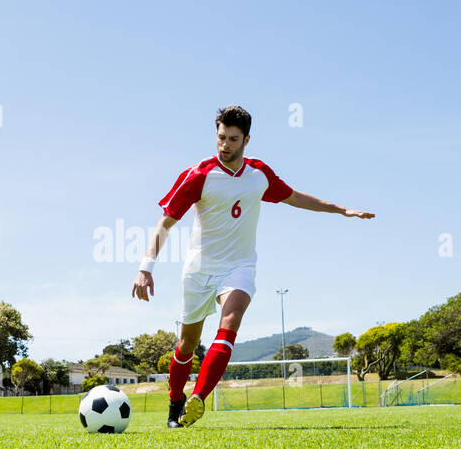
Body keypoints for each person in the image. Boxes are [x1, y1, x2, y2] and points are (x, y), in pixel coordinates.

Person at [131, 104, 375, 427]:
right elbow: (166, 222)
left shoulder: (258, 175)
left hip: (239, 268)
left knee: (230, 322)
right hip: (198, 270)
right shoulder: (199, 176)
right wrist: (145, 267)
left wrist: (341, 210)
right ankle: (176, 400)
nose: (224, 145)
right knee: (187, 344)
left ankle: (198, 399)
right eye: (220, 137)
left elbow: (295, 197)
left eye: (233, 139)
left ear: (247, 139)